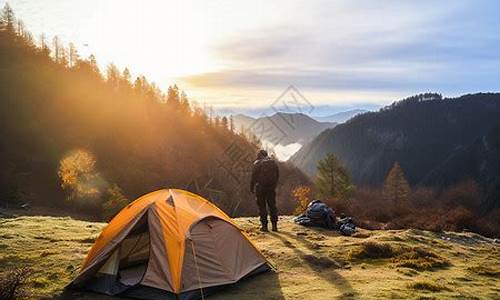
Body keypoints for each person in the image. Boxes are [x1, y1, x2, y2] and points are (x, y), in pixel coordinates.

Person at [250, 150, 280, 232]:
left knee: (262, 206)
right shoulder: (273, 163)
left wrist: (252, 187)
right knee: (272, 205)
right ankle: (274, 226)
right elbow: (277, 175)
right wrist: (274, 185)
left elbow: (253, 177)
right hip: (271, 188)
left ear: (259, 155)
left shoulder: (257, 163)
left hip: (260, 188)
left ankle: (264, 226)